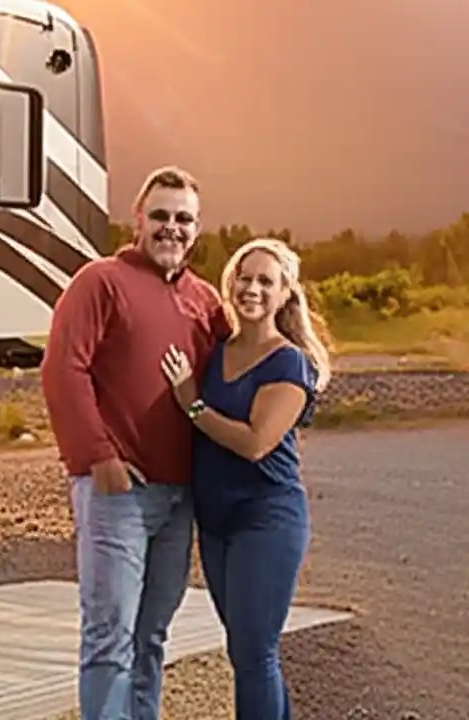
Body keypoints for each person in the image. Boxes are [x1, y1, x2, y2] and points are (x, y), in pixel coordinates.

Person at [41, 166, 229, 720]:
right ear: (138, 220)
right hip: (118, 494)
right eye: (161, 215)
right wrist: (98, 456)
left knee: (151, 637)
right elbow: (63, 370)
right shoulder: (100, 282)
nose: (172, 227)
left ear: (197, 229)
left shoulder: (205, 302)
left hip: (180, 497)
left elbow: (232, 375)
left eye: (184, 218)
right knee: (110, 635)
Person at [160, 237, 333, 719]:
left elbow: (256, 443)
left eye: (265, 281)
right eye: (244, 277)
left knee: (255, 653)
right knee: (245, 650)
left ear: (284, 294)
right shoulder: (215, 353)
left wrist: (192, 404)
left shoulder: (289, 363)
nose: (251, 288)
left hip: (267, 519)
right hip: (217, 523)